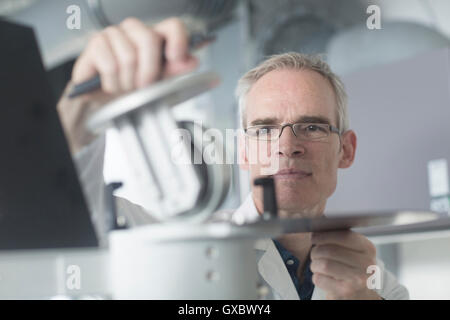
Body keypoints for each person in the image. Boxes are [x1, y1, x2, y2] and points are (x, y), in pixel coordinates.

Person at [57, 17, 409, 300]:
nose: (286, 146)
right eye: (264, 129)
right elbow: (79, 217)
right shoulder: (188, 247)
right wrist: (80, 113)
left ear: (346, 150)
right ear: (243, 151)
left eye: (312, 126)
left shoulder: (376, 282)